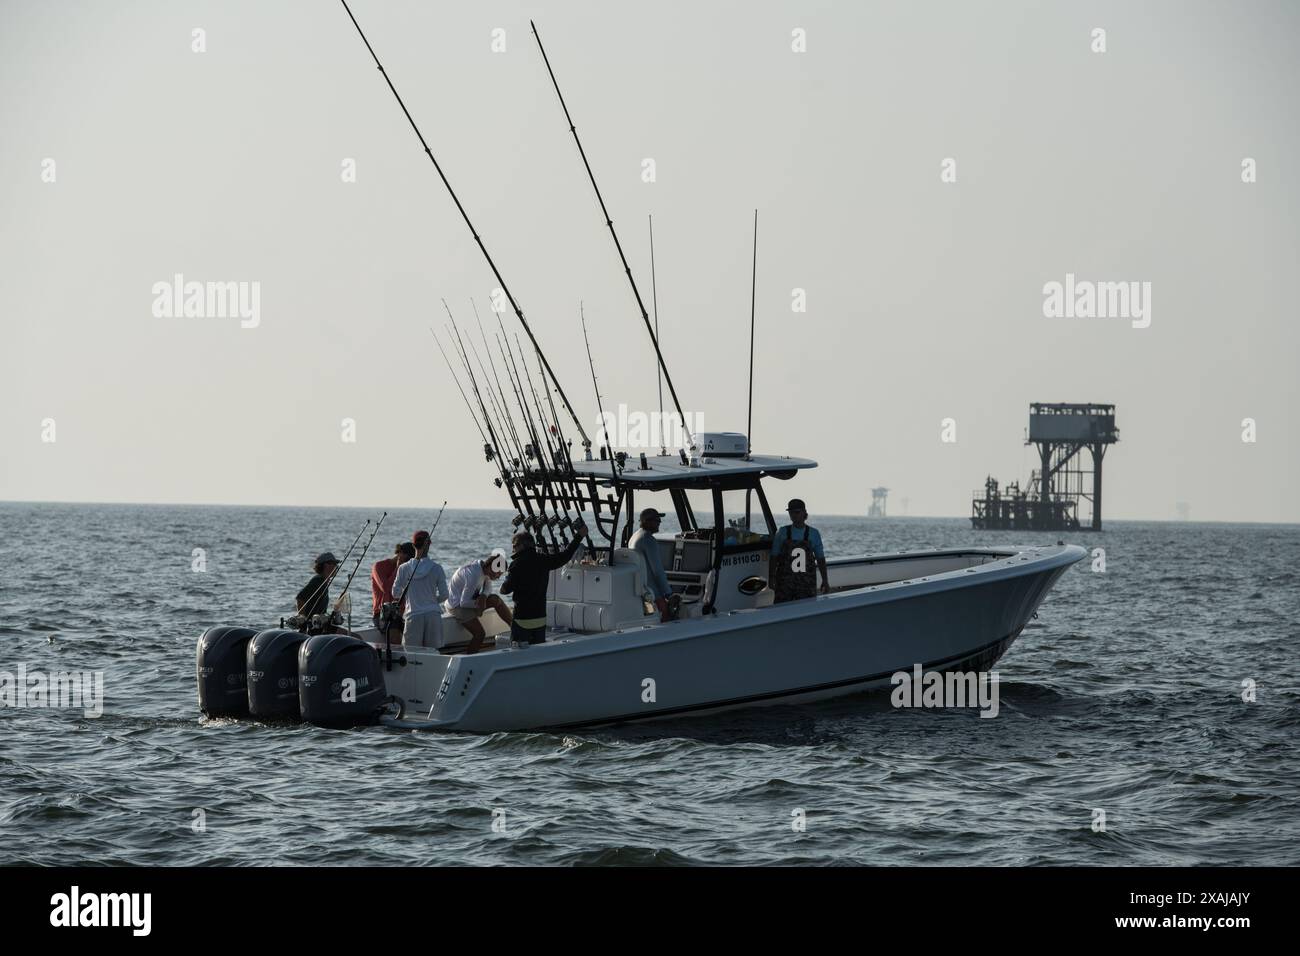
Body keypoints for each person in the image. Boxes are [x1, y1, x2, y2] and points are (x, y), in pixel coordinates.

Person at [500, 522, 585, 646]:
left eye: (514, 546)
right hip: (540, 619)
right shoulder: (543, 560)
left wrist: (506, 579)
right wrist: (579, 536)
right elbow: (565, 556)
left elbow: (505, 590)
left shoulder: (516, 564)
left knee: (518, 656)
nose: (513, 550)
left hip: (522, 620)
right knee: (537, 653)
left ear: (522, 546)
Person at [390, 530, 449, 649]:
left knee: (411, 656)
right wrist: (431, 600)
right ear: (429, 545)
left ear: (413, 545)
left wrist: (411, 596)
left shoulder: (403, 568)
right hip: (433, 615)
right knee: (434, 655)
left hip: (413, 616)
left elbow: (395, 593)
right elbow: (444, 595)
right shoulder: (437, 568)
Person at [447, 553, 514, 654]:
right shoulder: (474, 575)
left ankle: (514, 627)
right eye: (498, 574)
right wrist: (480, 605)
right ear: (492, 567)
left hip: (469, 600)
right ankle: (469, 659)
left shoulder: (483, 568)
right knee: (480, 634)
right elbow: (464, 602)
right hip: (457, 606)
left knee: (496, 599)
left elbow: (488, 587)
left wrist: (483, 596)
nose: (498, 577)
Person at [769, 498, 830, 603]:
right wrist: (771, 577)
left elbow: (820, 559)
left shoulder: (813, 534)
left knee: (807, 610)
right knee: (781, 610)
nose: (794, 515)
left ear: (804, 513)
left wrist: (825, 580)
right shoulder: (782, 532)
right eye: (791, 513)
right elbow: (774, 557)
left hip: (806, 583)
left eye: (797, 512)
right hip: (785, 583)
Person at [627, 508, 672, 622]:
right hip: (651, 595)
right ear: (647, 521)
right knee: (666, 615)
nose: (659, 522)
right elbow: (657, 571)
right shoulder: (648, 540)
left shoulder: (634, 536)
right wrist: (668, 593)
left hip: (641, 591)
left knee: (650, 618)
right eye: (657, 520)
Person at [371, 541, 415, 634]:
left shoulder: (409, 568)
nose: (409, 562)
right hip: (383, 613)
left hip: (403, 612)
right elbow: (387, 589)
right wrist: (398, 568)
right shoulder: (379, 566)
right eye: (408, 559)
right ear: (399, 554)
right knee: (395, 634)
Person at [296, 552, 339, 617]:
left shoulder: (324, 581)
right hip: (311, 624)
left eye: (335, 564)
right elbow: (300, 598)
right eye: (332, 563)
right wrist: (302, 618)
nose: (335, 566)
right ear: (323, 566)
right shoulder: (318, 580)